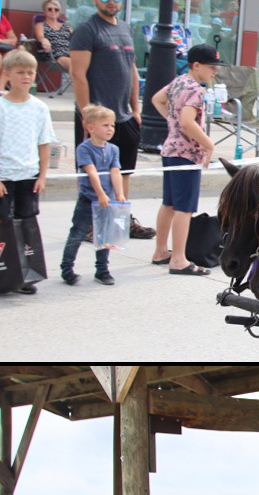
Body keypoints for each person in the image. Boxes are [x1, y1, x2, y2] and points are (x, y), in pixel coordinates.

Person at [70, 0, 155, 239]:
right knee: (90, 172)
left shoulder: (126, 29)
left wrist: (135, 108)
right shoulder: (87, 30)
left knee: (123, 172)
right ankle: (88, 223)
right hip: (96, 117)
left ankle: (122, 220)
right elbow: (77, 74)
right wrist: (87, 116)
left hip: (124, 116)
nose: (111, 1)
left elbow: (132, 69)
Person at [151, 43, 222, 276]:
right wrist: (208, 143)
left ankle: (161, 250)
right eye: (211, 67)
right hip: (186, 154)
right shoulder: (195, 89)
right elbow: (188, 122)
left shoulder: (179, 81)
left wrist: (171, 120)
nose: (214, 71)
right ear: (197, 65)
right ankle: (179, 259)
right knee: (185, 208)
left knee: (169, 203)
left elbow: (157, 99)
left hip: (170, 149)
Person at [0, 50, 56, 296]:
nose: (26, 77)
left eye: (30, 72)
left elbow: (44, 143)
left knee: (25, 224)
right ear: (7, 74)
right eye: (20, 72)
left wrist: (42, 175)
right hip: (4, 175)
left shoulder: (39, 108)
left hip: (29, 175)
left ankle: (24, 274)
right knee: (3, 224)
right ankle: (3, 274)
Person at [60, 104, 125, 286]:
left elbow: (115, 171)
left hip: (107, 200)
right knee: (77, 234)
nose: (110, 129)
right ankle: (67, 269)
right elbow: (92, 173)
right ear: (90, 128)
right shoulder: (84, 148)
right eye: (105, 125)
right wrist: (101, 194)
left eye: (112, 125)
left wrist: (119, 194)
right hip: (88, 199)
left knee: (105, 237)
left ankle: (102, 270)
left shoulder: (113, 149)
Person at [34, 1, 73, 76]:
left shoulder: (66, 26)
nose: (53, 11)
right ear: (44, 11)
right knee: (75, 66)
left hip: (71, 53)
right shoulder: (40, 25)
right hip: (55, 55)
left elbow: (76, 38)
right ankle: (80, 87)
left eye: (56, 9)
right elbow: (40, 36)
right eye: (50, 9)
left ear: (59, 12)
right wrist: (44, 40)